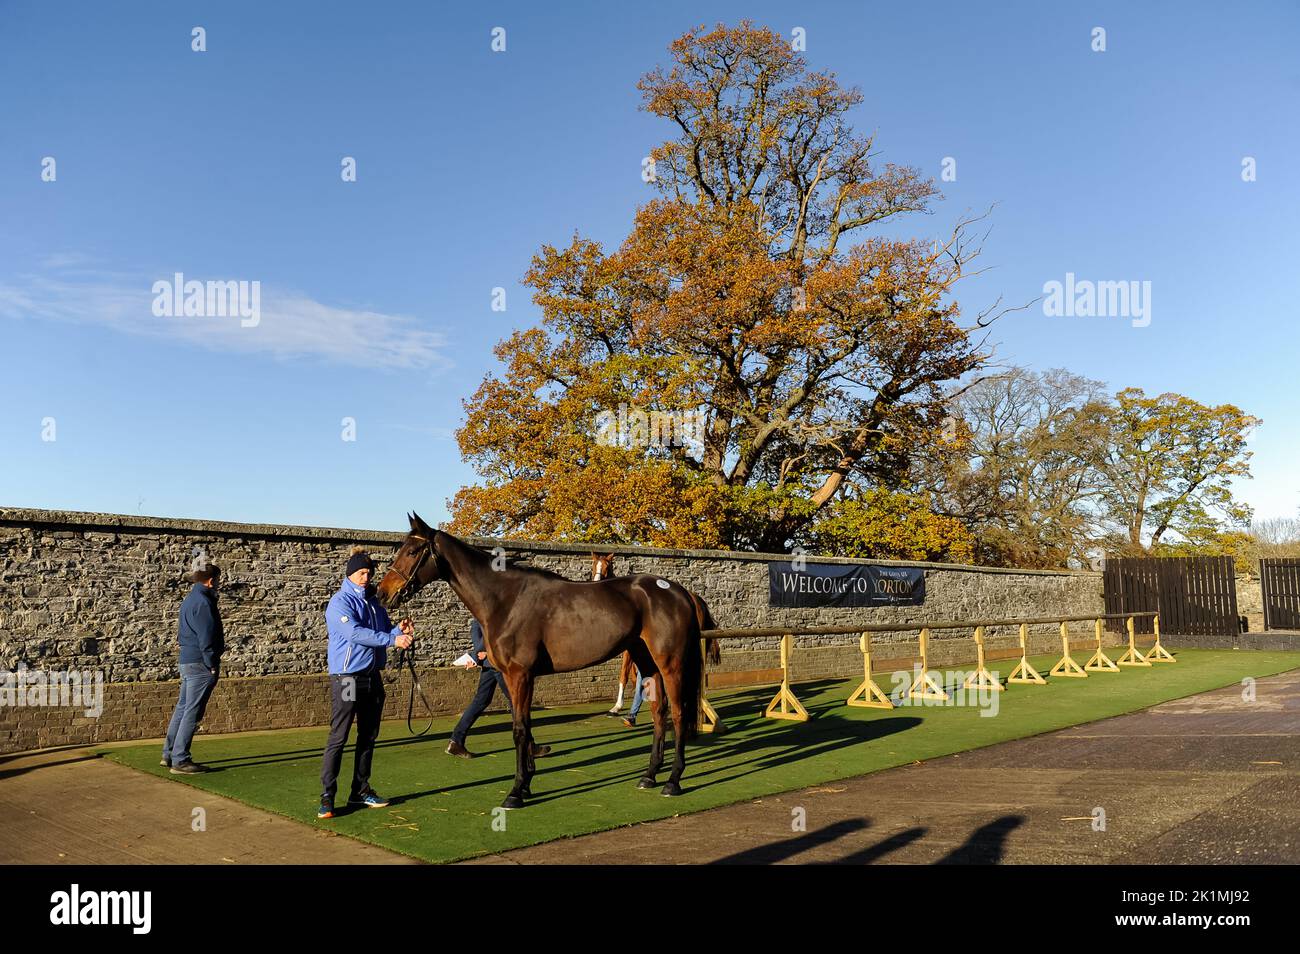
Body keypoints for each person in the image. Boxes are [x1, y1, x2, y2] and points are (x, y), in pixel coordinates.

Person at [317, 546, 413, 820]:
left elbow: (381, 632)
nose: (366, 578)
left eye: (369, 573)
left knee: (368, 735)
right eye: (361, 573)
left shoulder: (374, 602)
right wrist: (393, 639)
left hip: (372, 677)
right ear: (350, 574)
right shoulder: (340, 602)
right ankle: (327, 796)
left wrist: (398, 630)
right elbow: (355, 633)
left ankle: (360, 790)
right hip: (347, 677)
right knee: (339, 736)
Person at [446, 617, 551, 760]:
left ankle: (456, 741)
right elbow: (484, 636)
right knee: (516, 702)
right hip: (499, 665)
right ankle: (528, 746)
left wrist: (481, 655)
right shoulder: (490, 616)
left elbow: (479, 635)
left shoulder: (483, 617)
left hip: (491, 664)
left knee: (481, 701)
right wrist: (479, 655)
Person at [162, 559, 225, 773]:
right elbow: (206, 637)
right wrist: (211, 663)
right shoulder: (204, 602)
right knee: (192, 711)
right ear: (210, 581)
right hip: (200, 663)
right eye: (217, 580)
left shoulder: (190, 600)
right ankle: (180, 759)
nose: (219, 584)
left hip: (187, 661)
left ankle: (169, 753)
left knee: (183, 708)